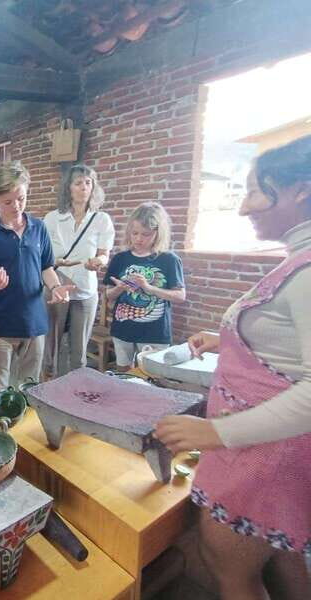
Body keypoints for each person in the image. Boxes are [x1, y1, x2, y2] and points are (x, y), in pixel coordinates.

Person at [155, 135, 311, 600]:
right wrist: (225, 340)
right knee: (281, 557)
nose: (244, 207)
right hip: (270, 449)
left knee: (231, 571)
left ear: (299, 191)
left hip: (262, 455)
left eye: (254, 191)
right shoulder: (297, 261)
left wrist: (213, 434)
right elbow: (283, 346)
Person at [0, 161, 73, 408]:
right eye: (8, 201)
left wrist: (56, 287)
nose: (16, 206)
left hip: (33, 321)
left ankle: (25, 441)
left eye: (21, 199)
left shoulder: (38, 228)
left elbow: (46, 266)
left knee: (29, 387)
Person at [43, 164, 115, 378]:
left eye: (88, 182)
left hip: (84, 288)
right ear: (68, 188)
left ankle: (76, 388)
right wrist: (58, 262)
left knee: (79, 349)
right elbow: (42, 257)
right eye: (78, 183)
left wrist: (98, 261)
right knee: (51, 344)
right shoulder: (52, 218)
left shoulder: (101, 219)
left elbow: (104, 253)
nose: (84, 187)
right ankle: (48, 383)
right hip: (56, 286)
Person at [102, 202, 185, 371]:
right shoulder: (120, 259)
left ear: (158, 233)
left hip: (154, 332)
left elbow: (180, 296)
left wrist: (148, 287)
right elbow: (108, 295)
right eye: (135, 233)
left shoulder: (169, 259)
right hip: (123, 329)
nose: (139, 239)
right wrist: (121, 288)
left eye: (146, 234)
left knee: (152, 378)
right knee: (123, 373)